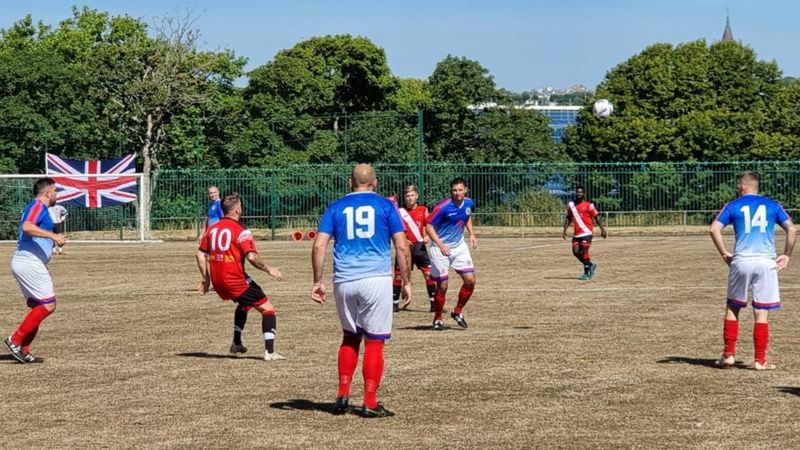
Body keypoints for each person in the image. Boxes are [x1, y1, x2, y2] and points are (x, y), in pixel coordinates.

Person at [311, 164, 411, 418]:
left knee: (350, 337)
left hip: (344, 280)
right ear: (375, 183)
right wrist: (407, 281)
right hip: (375, 279)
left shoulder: (335, 208)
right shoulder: (386, 206)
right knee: (375, 341)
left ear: (350, 183)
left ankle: (342, 394)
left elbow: (319, 246)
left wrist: (317, 281)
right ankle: (370, 401)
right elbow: (401, 246)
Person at [710, 171, 796, 370]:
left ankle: (729, 355)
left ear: (742, 187)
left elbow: (714, 229)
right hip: (766, 262)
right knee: (762, 311)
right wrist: (787, 254)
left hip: (741, 261)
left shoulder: (733, 205)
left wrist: (724, 253)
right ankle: (760, 360)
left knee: (733, 307)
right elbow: (791, 229)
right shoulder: (773, 205)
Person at [197, 193, 286, 361]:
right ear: (238, 210)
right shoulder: (241, 231)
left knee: (245, 304)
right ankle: (270, 352)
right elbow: (252, 257)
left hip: (218, 281)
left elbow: (200, 254)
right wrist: (269, 270)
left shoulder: (212, 229)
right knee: (268, 309)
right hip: (235, 280)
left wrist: (206, 279)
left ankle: (237, 343)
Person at [4, 178, 67, 363]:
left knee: (37, 307)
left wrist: (42, 262)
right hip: (27, 262)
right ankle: (15, 339)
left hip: (29, 262)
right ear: (48, 193)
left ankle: (23, 348)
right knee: (48, 305)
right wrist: (54, 235)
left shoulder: (39, 208)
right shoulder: (38, 206)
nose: (56, 194)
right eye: (55, 191)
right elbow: (27, 227)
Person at [426, 177, 477, 331]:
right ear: (451, 191)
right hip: (440, 248)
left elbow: (467, 216)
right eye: (454, 190)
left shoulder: (469, 203)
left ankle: (457, 311)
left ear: (465, 190)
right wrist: (440, 244)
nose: (457, 193)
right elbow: (428, 226)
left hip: (459, 246)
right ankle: (438, 318)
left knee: (470, 281)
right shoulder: (443, 207)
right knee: (442, 286)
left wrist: (472, 234)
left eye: (460, 190)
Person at [392, 185, 437, 313]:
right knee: (399, 275)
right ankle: (394, 304)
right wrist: (404, 240)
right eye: (407, 196)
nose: (410, 198)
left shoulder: (423, 209)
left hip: (420, 247)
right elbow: (396, 230)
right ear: (404, 198)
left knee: (428, 274)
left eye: (412, 195)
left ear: (416, 196)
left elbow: (430, 225)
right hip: (405, 248)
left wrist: (428, 236)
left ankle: (433, 303)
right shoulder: (400, 212)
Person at [562, 186, 607, 280]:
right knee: (576, 252)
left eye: (581, 192)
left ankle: (586, 274)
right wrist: (564, 230)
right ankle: (590, 264)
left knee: (584, 251)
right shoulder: (571, 205)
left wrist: (602, 229)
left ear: (584, 194)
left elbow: (597, 217)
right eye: (577, 192)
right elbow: (568, 217)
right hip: (577, 233)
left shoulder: (589, 205)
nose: (579, 194)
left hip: (586, 232)